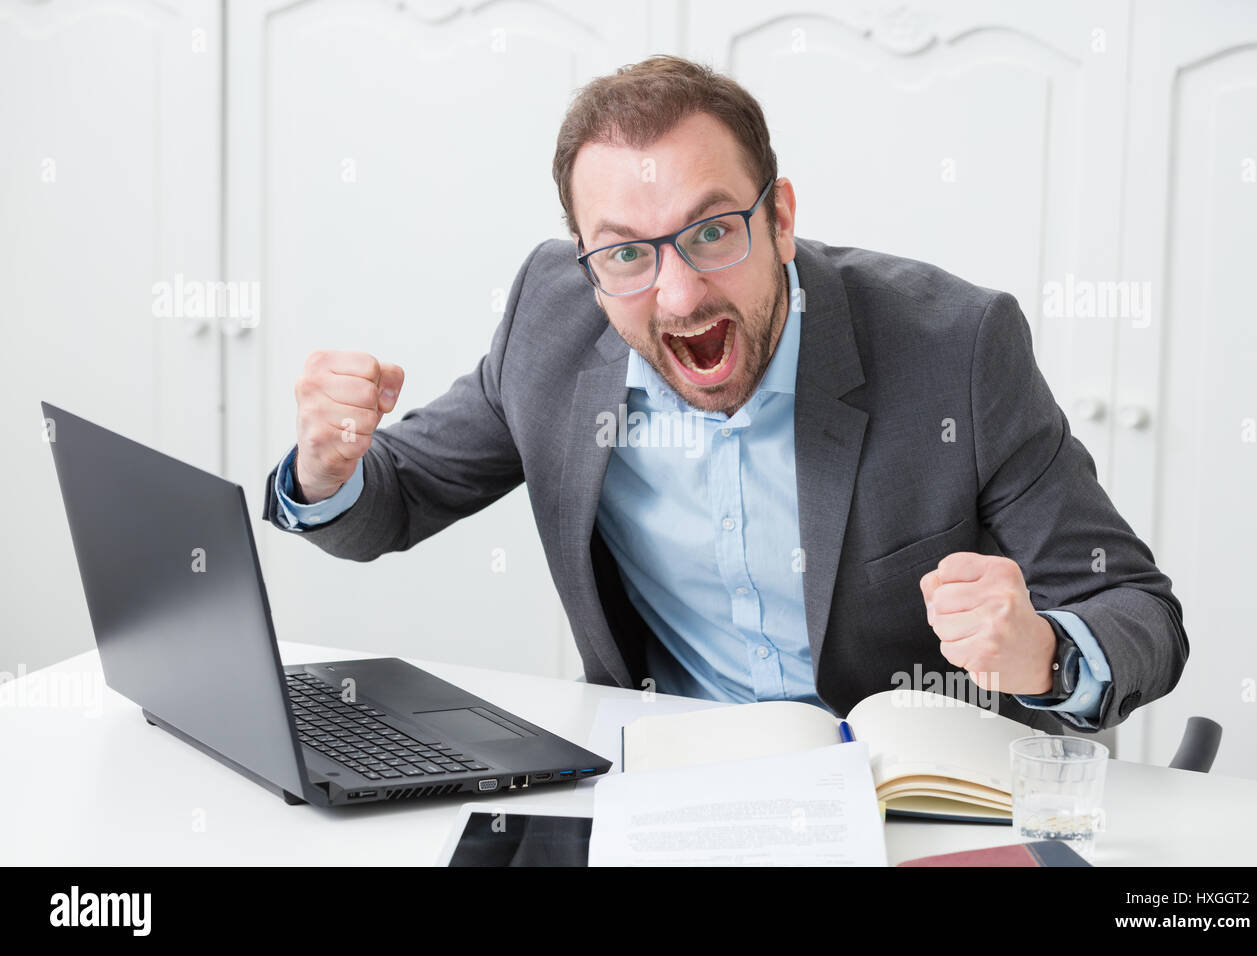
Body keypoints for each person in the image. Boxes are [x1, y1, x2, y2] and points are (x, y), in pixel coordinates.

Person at [263, 55, 1187, 731]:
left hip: (906, 809)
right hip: (667, 791)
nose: (678, 292)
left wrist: (1042, 651)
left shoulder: (955, 347)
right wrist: (327, 463)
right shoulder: (550, 325)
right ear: (587, 267)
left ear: (779, 218)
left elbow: (1138, 609)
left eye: (711, 232)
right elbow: (391, 503)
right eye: (625, 252)